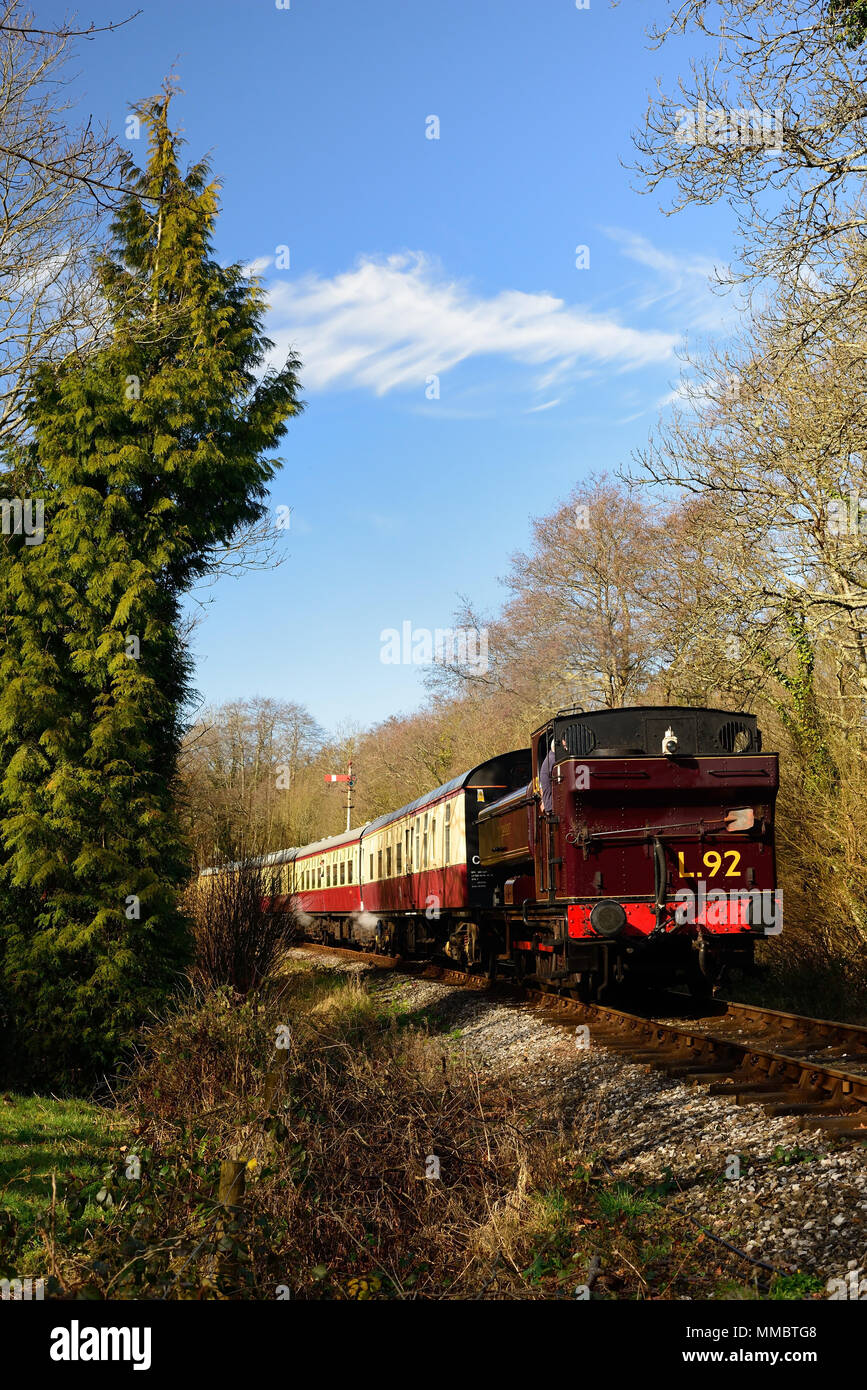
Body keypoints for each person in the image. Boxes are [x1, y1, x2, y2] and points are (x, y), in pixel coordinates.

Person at [539, 736, 568, 814]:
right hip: (553, 806)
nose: (566, 749)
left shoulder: (549, 758)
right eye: (565, 747)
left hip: (549, 804)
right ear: (557, 747)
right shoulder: (554, 760)